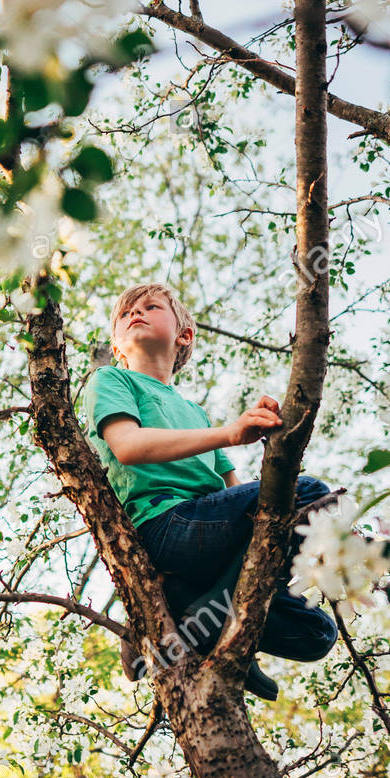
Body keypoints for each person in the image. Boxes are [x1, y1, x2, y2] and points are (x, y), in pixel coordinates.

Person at [80, 281, 339, 701]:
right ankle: (209, 617)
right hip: (166, 525)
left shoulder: (196, 414)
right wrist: (231, 432)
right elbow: (127, 447)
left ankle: (198, 615)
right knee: (312, 492)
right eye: (126, 314)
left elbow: (247, 503)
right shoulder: (111, 380)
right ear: (117, 344)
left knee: (319, 632)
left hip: (209, 546)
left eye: (150, 307)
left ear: (184, 335)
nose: (135, 314)